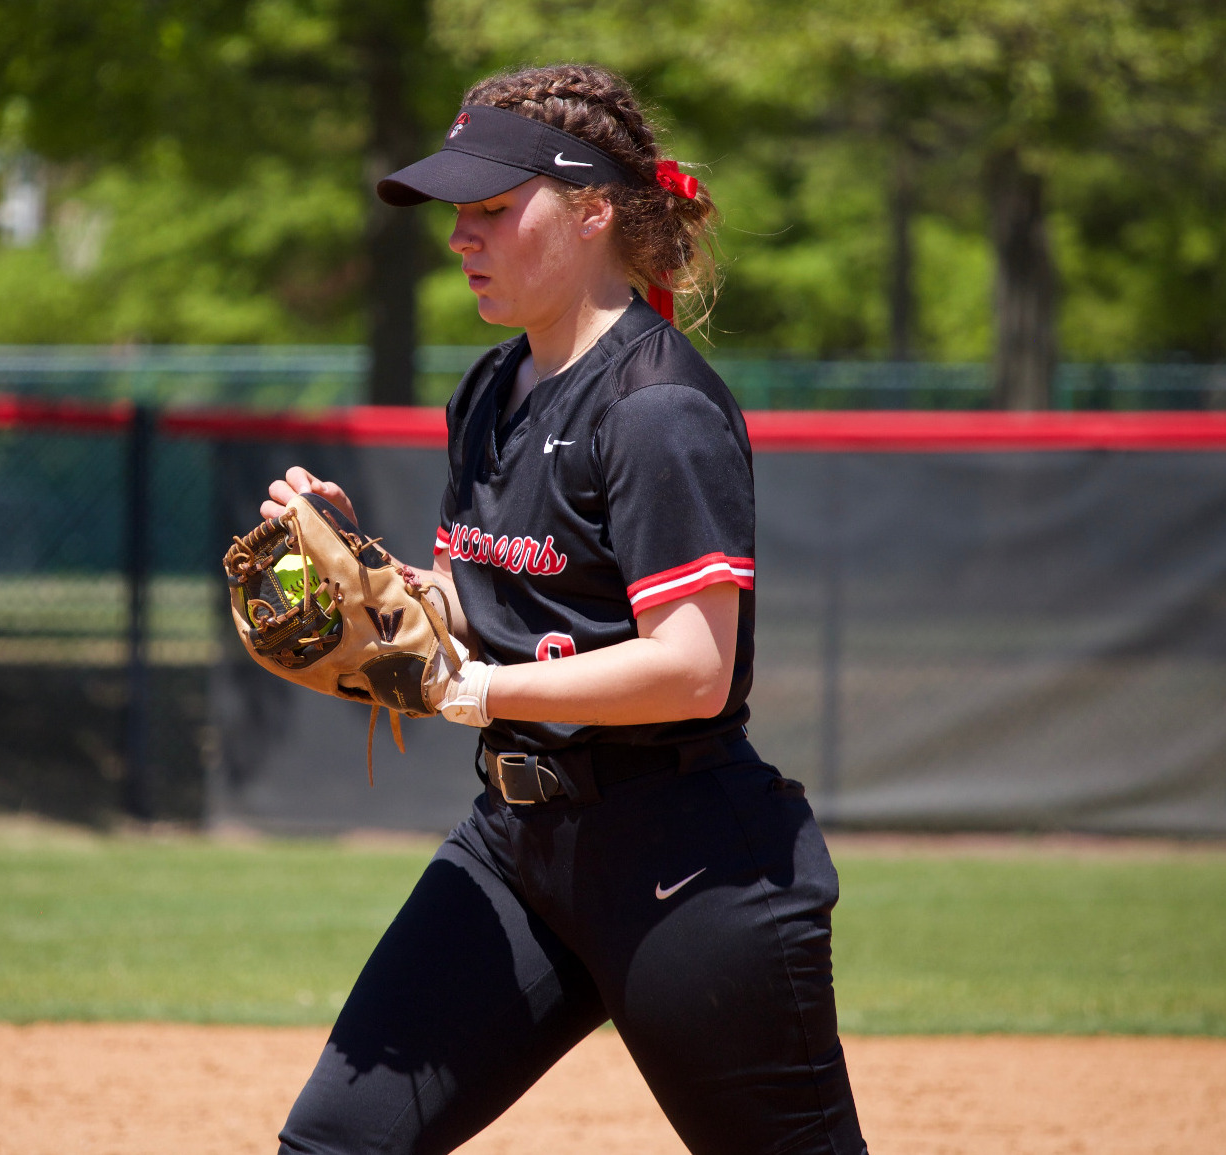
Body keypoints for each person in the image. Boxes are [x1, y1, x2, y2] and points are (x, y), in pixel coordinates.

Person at [263, 64, 869, 1155]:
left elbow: (692, 666)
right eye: (460, 215)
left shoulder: (658, 409)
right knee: (336, 1143)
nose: (464, 238)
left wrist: (476, 689)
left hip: (685, 863)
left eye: (495, 209)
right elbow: (476, 598)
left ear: (594, 210)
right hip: (517, 847)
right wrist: (372, 585)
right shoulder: (494, 389)